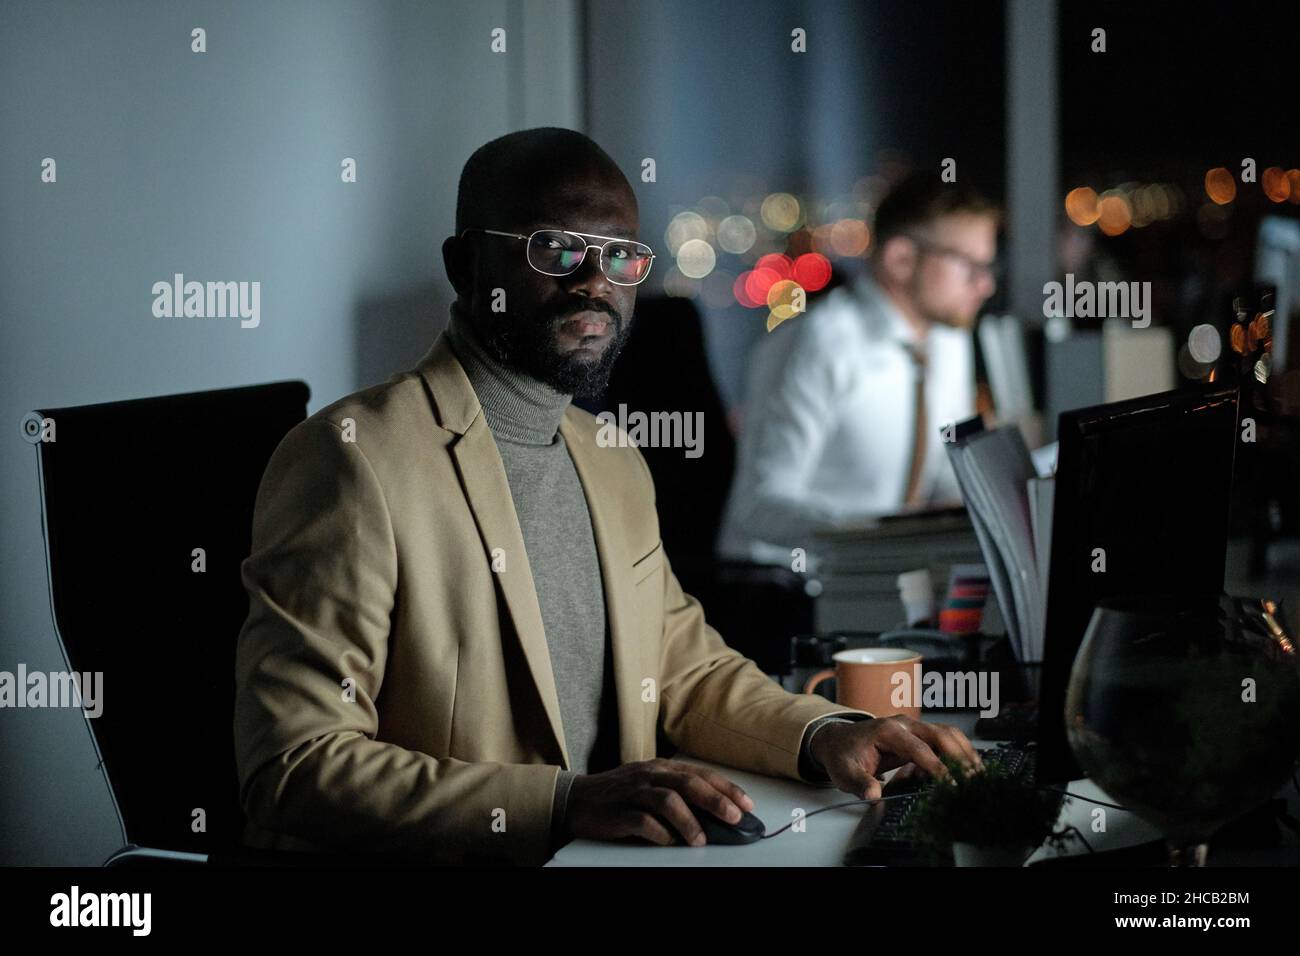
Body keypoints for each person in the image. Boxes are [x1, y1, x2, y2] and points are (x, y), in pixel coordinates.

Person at [232, 128, 980, 866]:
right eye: (553, 249)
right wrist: (565, 803)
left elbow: (688, 672)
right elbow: (295, 766)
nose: (593, 282)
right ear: (467, 265)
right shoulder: (353, 460)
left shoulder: (612, 459)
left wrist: (826, 735)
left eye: (620, 256)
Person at [718, 175, 1001, 566]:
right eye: (969, 266)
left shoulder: (949, 340)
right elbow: (758, 507)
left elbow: (942, 477)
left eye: (988, 266)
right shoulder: (820, 343)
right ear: (901, 259)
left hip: (881, 578)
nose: (984, 285)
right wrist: (874, 538)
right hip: (786, 588)